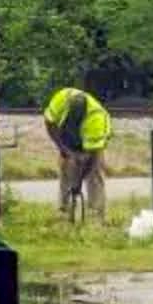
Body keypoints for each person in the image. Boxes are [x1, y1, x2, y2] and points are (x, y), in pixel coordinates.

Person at [43, 87, 112, 218]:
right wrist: (64, 150)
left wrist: (79, 181)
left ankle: (96, 213)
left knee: (94, 173)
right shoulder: (62, 97)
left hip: (93, 141)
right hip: (67, 136)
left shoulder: (96, 119)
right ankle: (64, 210)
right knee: (66, 167)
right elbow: (49, 123)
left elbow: (93, 157)